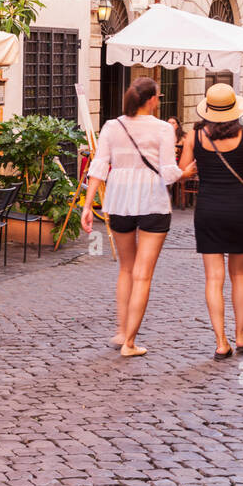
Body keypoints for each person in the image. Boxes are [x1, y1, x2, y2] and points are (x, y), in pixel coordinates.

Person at [80, 78, 185, 357]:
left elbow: (99, 166)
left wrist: (88, 205)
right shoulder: (163, 129)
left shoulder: (112, 126)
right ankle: (129, 342)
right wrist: (187, 171)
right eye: (158, 97)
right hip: (152, 201)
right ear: (151, 100)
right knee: (143, 275)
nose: (159, 101)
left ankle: (121, 330)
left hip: (119, 203)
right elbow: (169, 172)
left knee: (126, 269)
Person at [180, 84, 243, 360]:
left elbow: (183, 171)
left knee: (213, 277)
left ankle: (221, 342)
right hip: (238, 209)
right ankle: (241, 335)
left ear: (208, 110)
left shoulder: (194, 136)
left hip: (208, 208)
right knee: (239, 275)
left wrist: (191, 167)